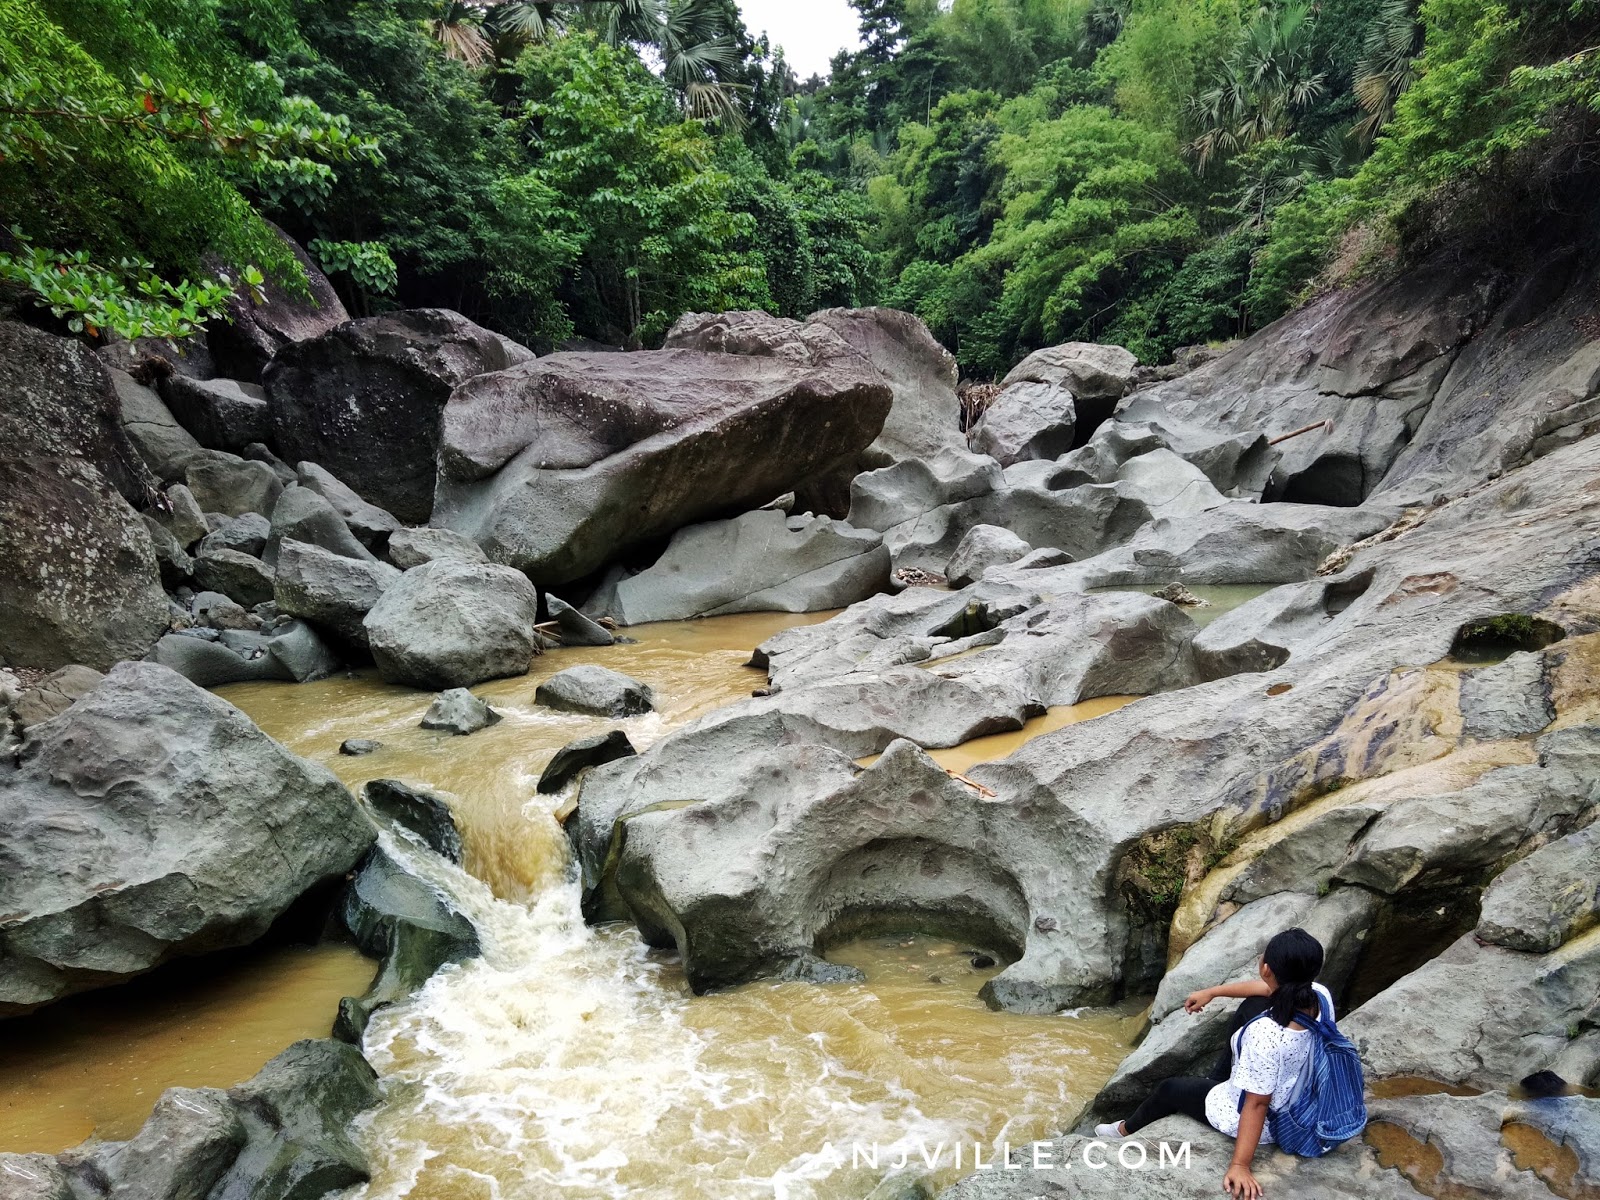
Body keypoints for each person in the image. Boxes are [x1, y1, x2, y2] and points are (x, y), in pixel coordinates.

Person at [1094, 928, 1334, 1200]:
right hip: (1301, 1093)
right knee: (1252, 1004)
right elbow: (1266, 991)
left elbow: (1257, 1103)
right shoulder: (1318, 995)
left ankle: (1123, 1130)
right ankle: (1218, 1078)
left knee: (1169, 1089)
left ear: (1266, 968)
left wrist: (1240, 1165)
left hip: (1271, 1118)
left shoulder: (1266, 1035)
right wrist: (1213, 992)